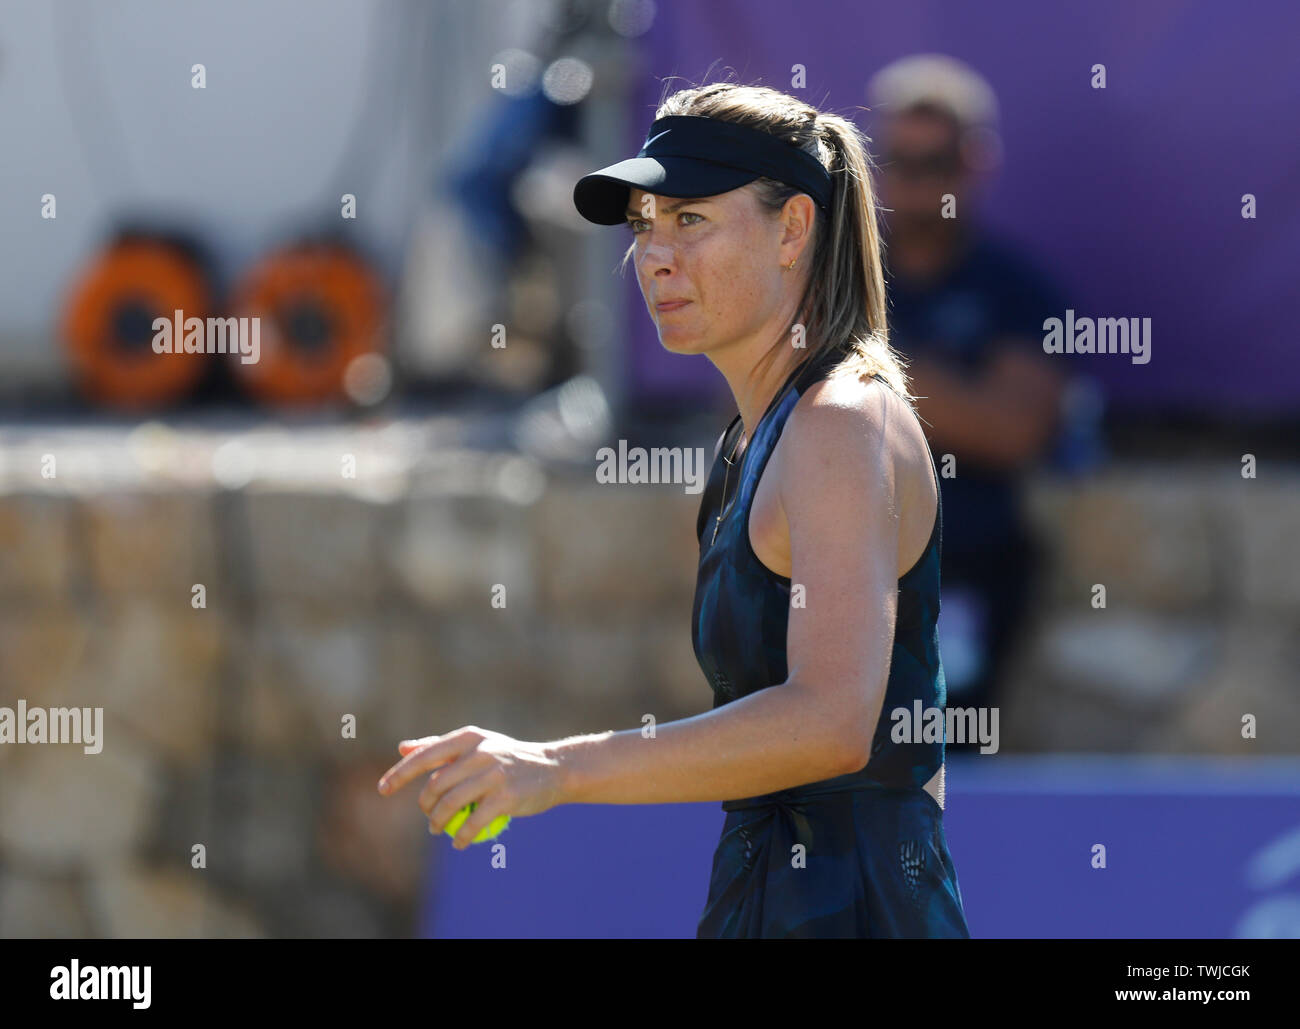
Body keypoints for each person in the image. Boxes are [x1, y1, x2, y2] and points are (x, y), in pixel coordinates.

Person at [378, 81, 970, 939]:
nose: (654, 254)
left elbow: (832, 722)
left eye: (690, 220)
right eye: (644, 224)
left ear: (794, 228)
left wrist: (553, 766)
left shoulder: (842, 423)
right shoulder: (756, 436)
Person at [868, 55, 1073, 721]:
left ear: (975, 160)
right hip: (838, 571)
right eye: (901, 161)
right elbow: (772, 414)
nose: (918, 184)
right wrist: (947, 397)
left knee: (941, 749)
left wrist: (876, 376)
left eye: (938, 165)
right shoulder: (834, 279)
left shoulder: (1013, 287)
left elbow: (1014, 430)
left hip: (966, 569)